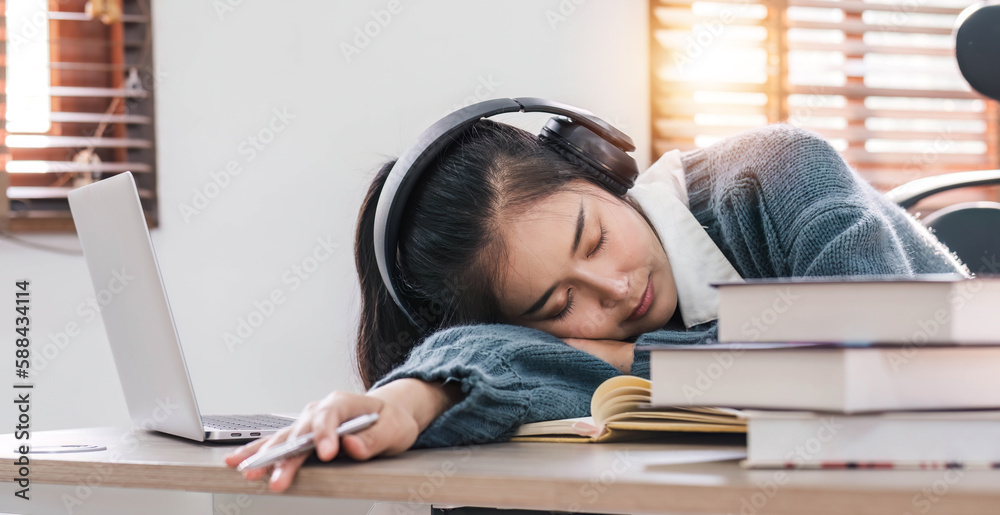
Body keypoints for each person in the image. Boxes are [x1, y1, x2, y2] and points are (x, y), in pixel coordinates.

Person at [224, 115, 969, 492]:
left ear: (600, 169)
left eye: (593, 236)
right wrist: (410, 401)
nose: (615, 288)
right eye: (556, 305)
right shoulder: (564, 341)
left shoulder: (781, 171)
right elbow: (508, 364)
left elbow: (891, 360)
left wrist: (625, 357)